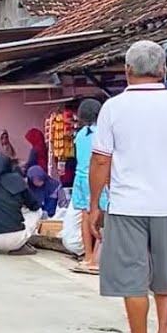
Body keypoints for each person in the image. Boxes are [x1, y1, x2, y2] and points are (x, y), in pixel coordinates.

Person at [88, 40, 167, 333]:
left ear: (127, 70)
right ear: (163, 70)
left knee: (132, 277)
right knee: (166, 274)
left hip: (127, 206)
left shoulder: (114, 107)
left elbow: (100, 161)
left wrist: (96, 204)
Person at [0, 154, 42, 255]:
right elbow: (35, 205)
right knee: (37, 211)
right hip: (15, 240)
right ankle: (20, 246)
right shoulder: (18, 181)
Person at [71, 98, 106, 272]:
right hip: (97, 178)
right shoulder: (102, 133)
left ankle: (88, 257)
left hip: (80, 179)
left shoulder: (80, 134)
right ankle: (99, 258)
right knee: (102, 218)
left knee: (86, 217)